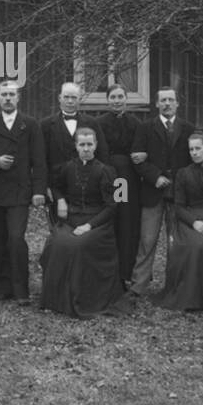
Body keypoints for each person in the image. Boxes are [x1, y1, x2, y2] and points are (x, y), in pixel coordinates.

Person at [39, 128, 131, 319]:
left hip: (98, 223)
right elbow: (56, 187)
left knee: (79, 245)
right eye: (82, 144)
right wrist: (61, 200)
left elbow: (112, 206)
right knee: (55, 243)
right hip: (71, 220)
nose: (86, 149)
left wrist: (89, 226)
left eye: (89, 144)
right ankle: (55, 299)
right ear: (76, 146)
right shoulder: (67, 167)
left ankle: (83, 298)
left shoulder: (107, 171)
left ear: (96, 145)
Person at [0, 79, 47, 304]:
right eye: (4, 95)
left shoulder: (30, 125)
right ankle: (3, 287)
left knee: (16, 239)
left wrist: (39, 191)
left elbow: (39, 161)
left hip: (19, 192)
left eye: (11, 95)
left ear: (18, 98)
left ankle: (21, 290)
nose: (8, 98)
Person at [155, 133, 203, 311]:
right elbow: (179, 205)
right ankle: (192, 299)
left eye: (198, 148)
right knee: (195, 246)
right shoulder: (183, 174)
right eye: (191, 149)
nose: (194, 153)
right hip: (190, 220)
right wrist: (194, 222)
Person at [129, 86, 192, 296]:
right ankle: (138, 286)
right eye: (163, 100)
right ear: (156, 104)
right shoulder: (145, 128)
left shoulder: (188, 128)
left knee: (175, 241)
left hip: (178, 194)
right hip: (152, 192)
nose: (167, 104)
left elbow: (193, 159)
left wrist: (179, 182)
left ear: (177, 103)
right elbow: (136, 158)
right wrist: (155, 176)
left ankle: (174, 286)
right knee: (147, 240)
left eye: (170, 100)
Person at [40, 82, 109, 212]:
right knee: (59, 222)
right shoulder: (46, 125)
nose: (70, 101)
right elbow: (41, 159)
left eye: (74, 97)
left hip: (87, 184)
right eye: (66, 97)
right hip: (57, 186)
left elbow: (102, 153)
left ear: (79, 99)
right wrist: (45, 186)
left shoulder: (92, 123)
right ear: (59, 98)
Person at [97, 84, 141, 286]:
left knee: (127, 222)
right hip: (108, 176)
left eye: (120, 96)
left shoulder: (136, 123)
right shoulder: (99, 123)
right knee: (110, 219)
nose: (117, 100)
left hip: (127, 179)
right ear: (108, 100)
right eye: (113, 97)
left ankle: (125, 272)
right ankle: (108, 272)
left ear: (126, 98)